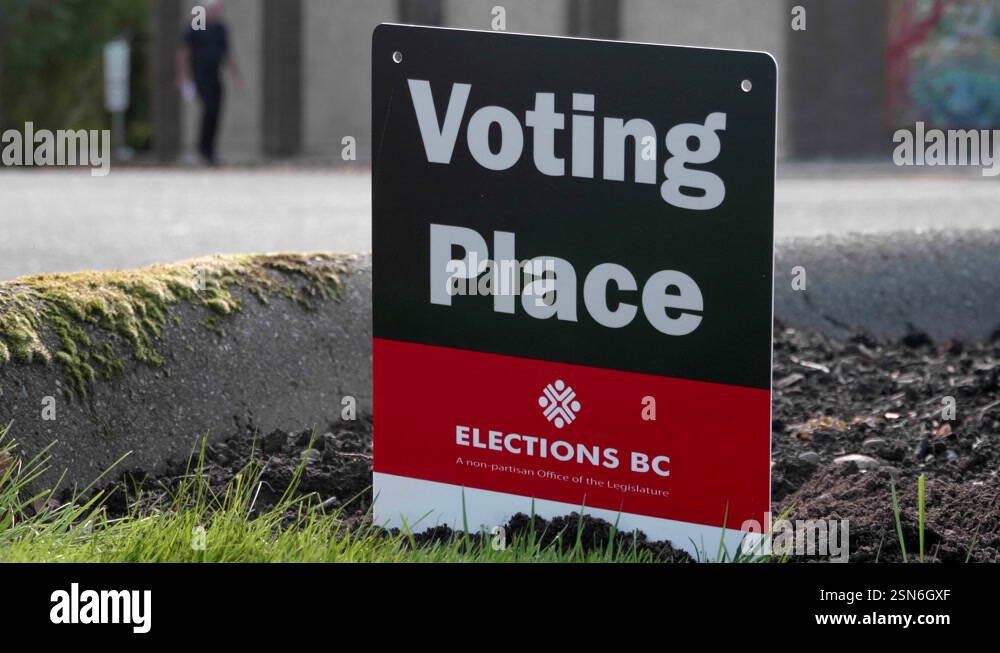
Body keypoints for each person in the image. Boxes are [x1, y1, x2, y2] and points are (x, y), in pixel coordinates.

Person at [175, 0, 241, 165]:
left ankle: (210, 151)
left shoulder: (220, 29)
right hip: (199, 76)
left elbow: (227, 53)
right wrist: (182, 75)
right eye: (215, 8)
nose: (218, 12)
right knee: (208, 108)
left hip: (215, 75)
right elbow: (184, 51)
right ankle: (202, 150)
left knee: (216, 112)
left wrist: (235, 75)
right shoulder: (197, 26)